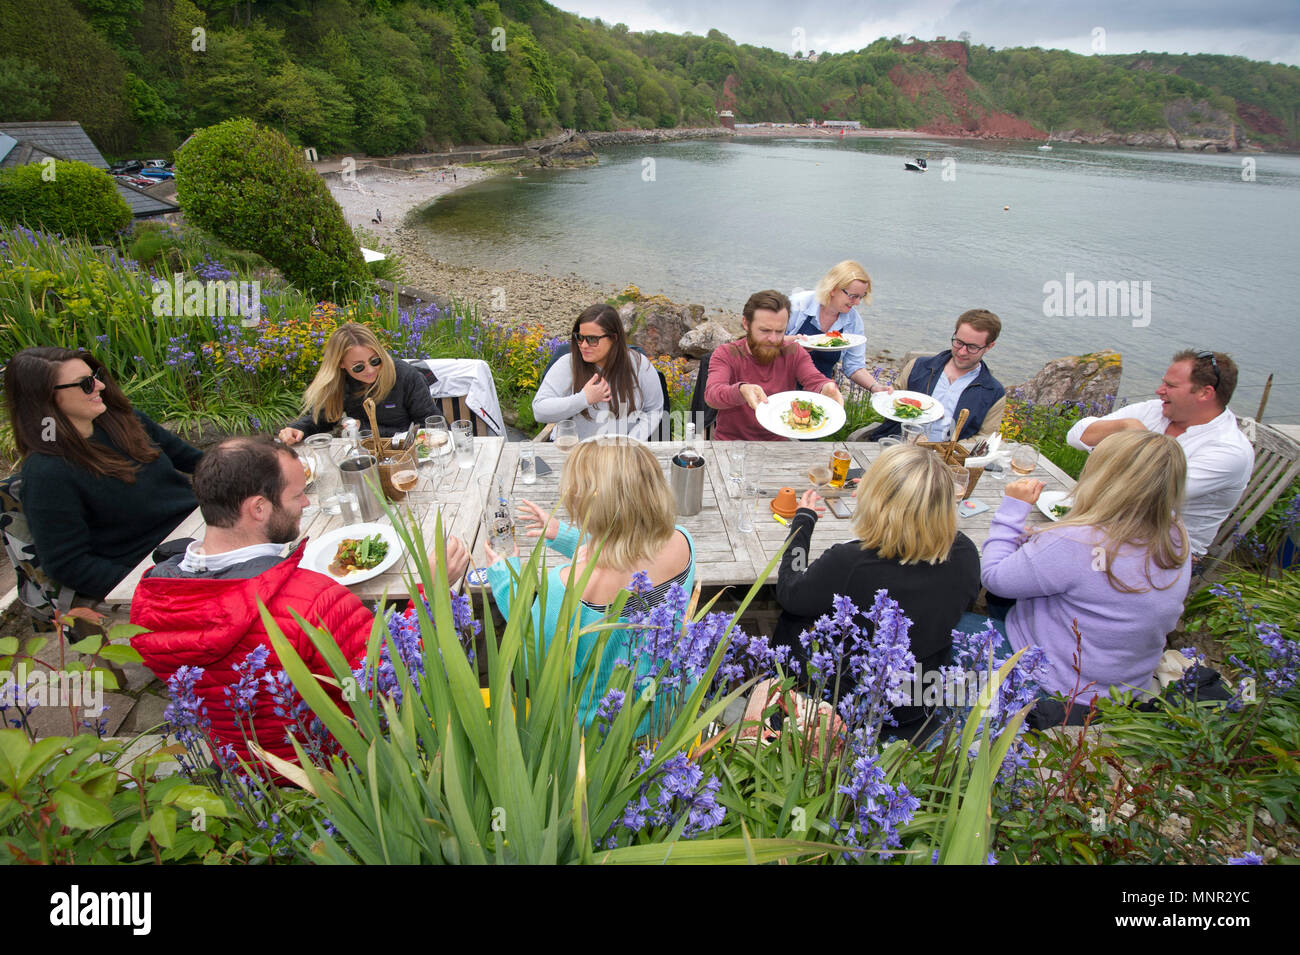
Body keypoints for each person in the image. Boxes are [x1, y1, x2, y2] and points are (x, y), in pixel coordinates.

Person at [131, 436, 470, 763]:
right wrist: (432, 590)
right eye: (296, 495)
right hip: (336, 772)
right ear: (259, 508)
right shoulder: (312, 602)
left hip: (243, 769)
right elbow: (391, 680)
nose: (306, 503)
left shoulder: (150, 600)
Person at [483, 436, 695, 728]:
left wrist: (504, 576)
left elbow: (534, 653)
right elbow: (627, 550)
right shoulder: (682, 542)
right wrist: (562, 534)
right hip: (669, 709)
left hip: (600, 734)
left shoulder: (569, 586)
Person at [773, 444, 980, 741]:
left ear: (877, 502)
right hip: (918, 700)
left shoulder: (849, 562)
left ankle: (783, 697)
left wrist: (802, 523)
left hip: (854, 703)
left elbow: (789, 591)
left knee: (791, 621)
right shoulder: (966, 553)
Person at [979, 431, 1192, 701]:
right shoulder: (1176, 533)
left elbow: (993, 577)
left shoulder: (1077, 541)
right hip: (1124, 684)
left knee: (938, 626)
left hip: (1061, 685)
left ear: (1105, 477)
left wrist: (1012, 510)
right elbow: (1095, 569)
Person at [4, 347, 203, 602]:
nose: (99, 385)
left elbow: (197, 461)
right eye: (85, 384)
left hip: (198, 533)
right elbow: (67, 563)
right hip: (155, 568)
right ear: (45, 398)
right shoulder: (47, 471)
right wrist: (147, 586)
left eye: (96, 376)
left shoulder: (122, 421)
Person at [1065, 350, 1254, 557]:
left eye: (1171, 386)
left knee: (1042, 546)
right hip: (1106, 522)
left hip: (1163, 552)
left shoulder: (1228, 450)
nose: (1159, 390)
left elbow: (1142, 493)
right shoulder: (1156, 411)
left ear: (1205, 393)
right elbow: (1075, 436)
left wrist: (1137, 445)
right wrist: (1126, 426)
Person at [705, 290, 844, 441]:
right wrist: (742, 390)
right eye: (765, 330)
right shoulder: (726, 353)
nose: (773, 339)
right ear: (746, 323)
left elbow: (814, 379)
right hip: (731, 443)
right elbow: (712, 394)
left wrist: (827, 387)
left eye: (780, 331)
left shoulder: (794, 352)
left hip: (779, 443)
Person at [277, 323, 438, 443]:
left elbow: (433, 427)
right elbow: (320, 420)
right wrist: (298, 429)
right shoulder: (340, 381)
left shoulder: (405, 375)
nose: (370, 370)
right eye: (358, 367)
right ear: (341, 364)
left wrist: (365, 428)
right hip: (366, 453)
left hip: (410, 452)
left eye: (375, 361)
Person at [532, 304, 664, 441]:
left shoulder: (639, 365)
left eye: (592, 339)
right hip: (575, 452)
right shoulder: (568, 364)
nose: (583, 345)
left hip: (620, 453)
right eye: (580, 337)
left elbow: (654, 410)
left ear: (614, 338)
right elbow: (540, 411)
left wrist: (630, 442)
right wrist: (584, 398)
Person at [873, 309, 1006, 444]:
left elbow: (986, 437)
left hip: (947, 458)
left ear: (989, 346)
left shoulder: (994, 392)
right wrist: (885, 394)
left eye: (972, 347)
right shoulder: (918, 367)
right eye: (958, 342)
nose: (962, 352)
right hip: (898, 447)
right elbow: (893, 399)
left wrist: (954, 447)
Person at [786, 260, 889, 392]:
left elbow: (854, 365)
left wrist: (875, 387)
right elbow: (765, 343)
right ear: (833, 289)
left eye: (861, 297)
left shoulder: (853, 321)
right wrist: (792, 347)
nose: (857, 302)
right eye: (853, 296)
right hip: (782, 382)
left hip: (821, 389)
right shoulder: (797, 305)